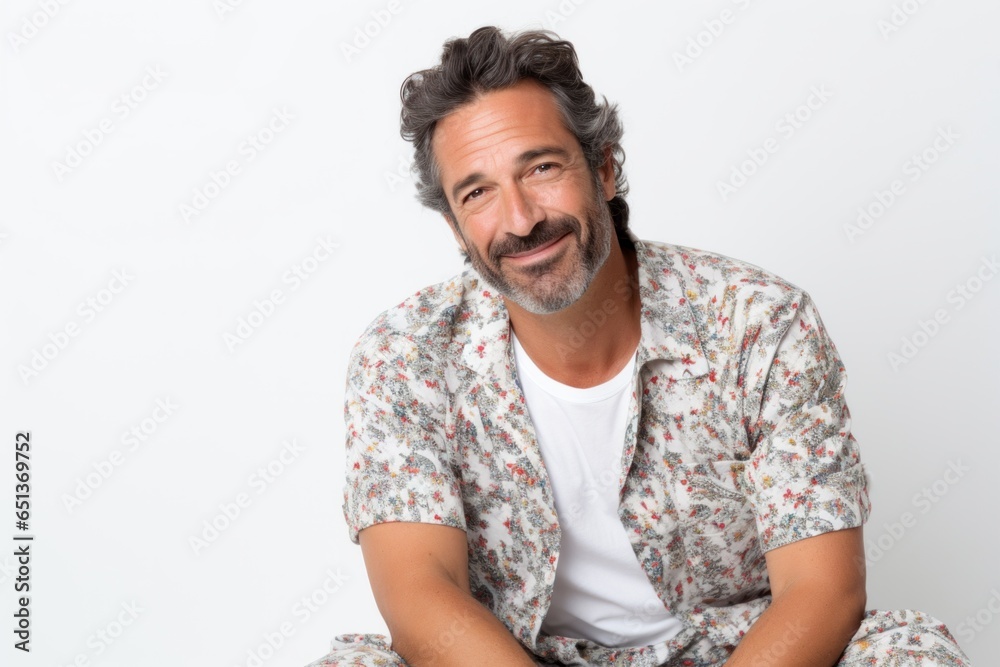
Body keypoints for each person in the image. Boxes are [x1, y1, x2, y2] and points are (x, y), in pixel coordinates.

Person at [306, 26, 972, 667]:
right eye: (477, 192)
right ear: (454, 226)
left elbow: (823, 590)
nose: (520, 218)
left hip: (740, 652)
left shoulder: (759, 323)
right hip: (513, 654)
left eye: (540, 167)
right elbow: (422, 598)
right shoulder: (405, 357)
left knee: (908, 652)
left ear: (604, 169)